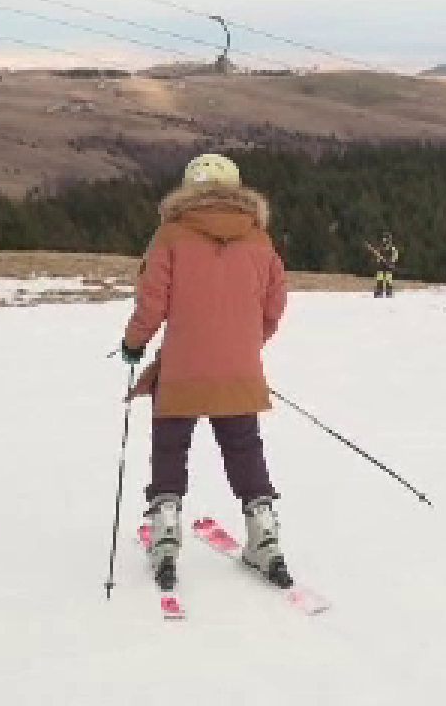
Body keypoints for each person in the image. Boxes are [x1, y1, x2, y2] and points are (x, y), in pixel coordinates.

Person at [121, 152, 291, 590]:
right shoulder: (259, 238)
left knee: (170, 447)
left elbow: (151, 304)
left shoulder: (170, 234)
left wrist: (133, 344)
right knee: (243, 448)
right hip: (239, 369)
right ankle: (264, 538)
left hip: (180, 369)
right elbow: (274, 307)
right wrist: (243, 345)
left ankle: (165, 535)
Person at [368, 231, 399, 299]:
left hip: (388, 267)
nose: (384, 240)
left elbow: (395, 257)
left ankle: (388, 293)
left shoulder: (392, 248)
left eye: (386, 239)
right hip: (381, 267)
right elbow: (377, 257)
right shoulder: (380, 248)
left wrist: (390, 262)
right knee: (379, 281)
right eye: (384, 239)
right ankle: (379, 293)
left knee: (388, 281)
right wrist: (379, 260)